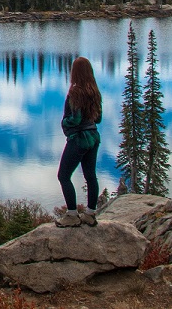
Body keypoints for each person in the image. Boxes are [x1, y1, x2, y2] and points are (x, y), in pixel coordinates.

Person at [56, 56, 102, 227]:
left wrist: (64, 122)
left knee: (63, 176)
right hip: (93, 137)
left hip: (79, 140)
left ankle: (72, 215)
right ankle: (90, 214)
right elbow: (98, 119)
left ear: (75, 73)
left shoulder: (75, 92)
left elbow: (75, 119)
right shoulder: (94, 91)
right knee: (90, 176)